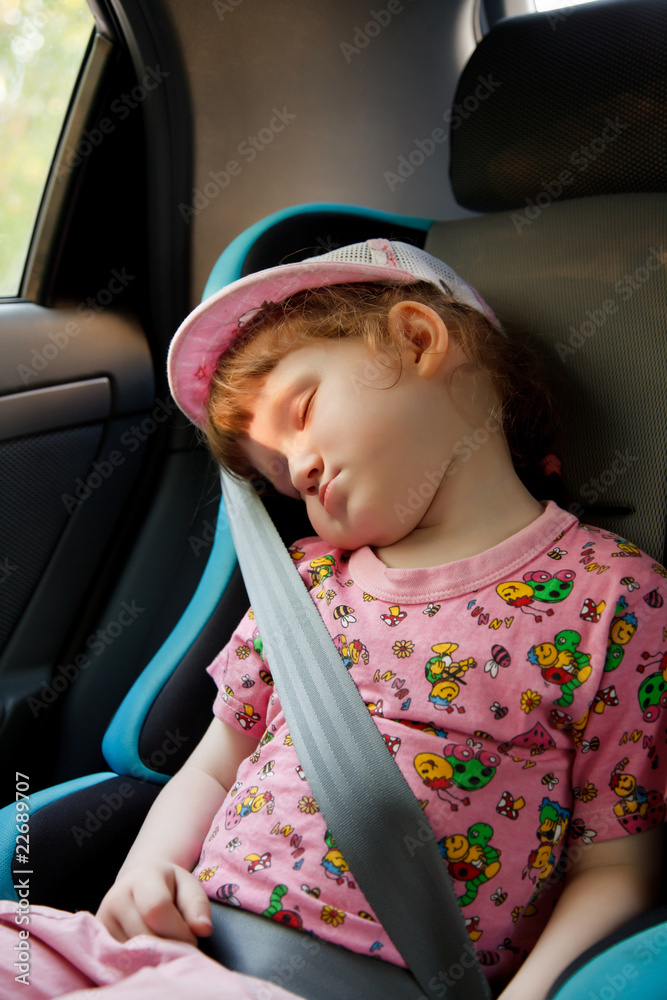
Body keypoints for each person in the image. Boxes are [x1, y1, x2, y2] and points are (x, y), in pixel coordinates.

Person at [1, 239, 664, 1000]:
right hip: (177, 948)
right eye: (281, 480)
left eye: (303, 411)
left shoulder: (614, 599)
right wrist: (147, 870)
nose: (300, 470)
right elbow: (216, 763)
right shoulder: (308, 583)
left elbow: (615, 865)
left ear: (417, 339)